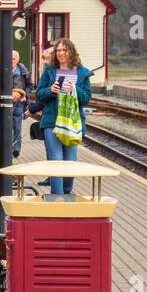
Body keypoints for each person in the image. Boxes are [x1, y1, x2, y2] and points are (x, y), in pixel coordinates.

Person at [34, 38, 93, 195]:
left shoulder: (82, 72)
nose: (60, 53)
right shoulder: (50, 71)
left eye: (64, 50)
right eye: (58, 51)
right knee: (55, 160)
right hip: (52, 122)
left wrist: (75, 89)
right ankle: (57, 197)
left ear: (71, 52)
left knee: (70, 162)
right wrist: (51, 90)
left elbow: (86, 97)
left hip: (73, 123)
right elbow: (39, 94)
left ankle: (67, 192)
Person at [9, 49, 33, 159]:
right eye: (10, 58)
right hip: (6, 101)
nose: (11, 60)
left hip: (19, 103)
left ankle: (16, 149)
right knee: (5, 126)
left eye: (13, 58)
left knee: (17, 126)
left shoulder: (23, 70)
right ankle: (6, 147)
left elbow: (29, 85)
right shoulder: (2, 68)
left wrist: (25, 95)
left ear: (18, 59)